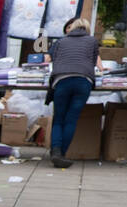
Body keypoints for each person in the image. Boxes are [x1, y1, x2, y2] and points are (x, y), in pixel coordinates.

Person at [46, 17, 102, 169]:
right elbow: (92, 62)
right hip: (83, 82)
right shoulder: (92, 41)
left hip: (62, 81)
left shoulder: (60, 42)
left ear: (71, 28)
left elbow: (54, 60)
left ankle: (56, 152)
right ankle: (61, 155)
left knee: (58, 118)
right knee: (71, 119)